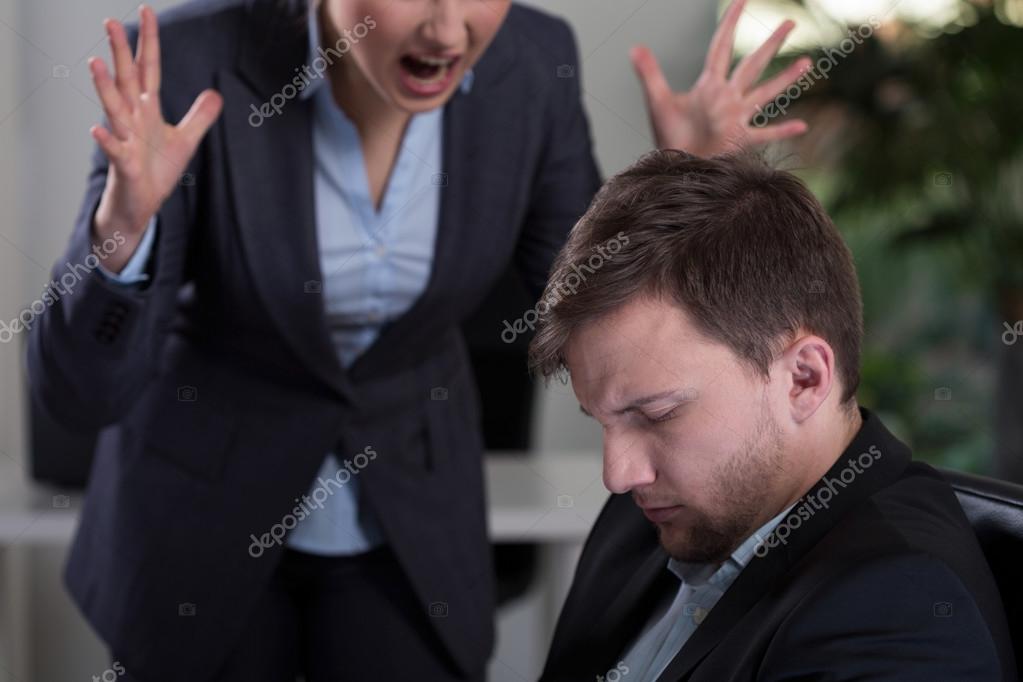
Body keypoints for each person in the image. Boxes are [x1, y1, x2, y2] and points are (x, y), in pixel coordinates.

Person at [27, 0, 811, 679]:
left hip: (408, 517)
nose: (447, 27)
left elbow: (583, 311)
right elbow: (74, 388)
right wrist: (122, 232)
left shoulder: (531, 63)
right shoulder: (185, 58)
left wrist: (690, 184)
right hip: (200, 525)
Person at [529, 150, 1018, 681]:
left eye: (658, 415)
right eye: (602, 420)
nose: (618, 475)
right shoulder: (647, 521)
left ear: (803, 378)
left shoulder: (901, 611)